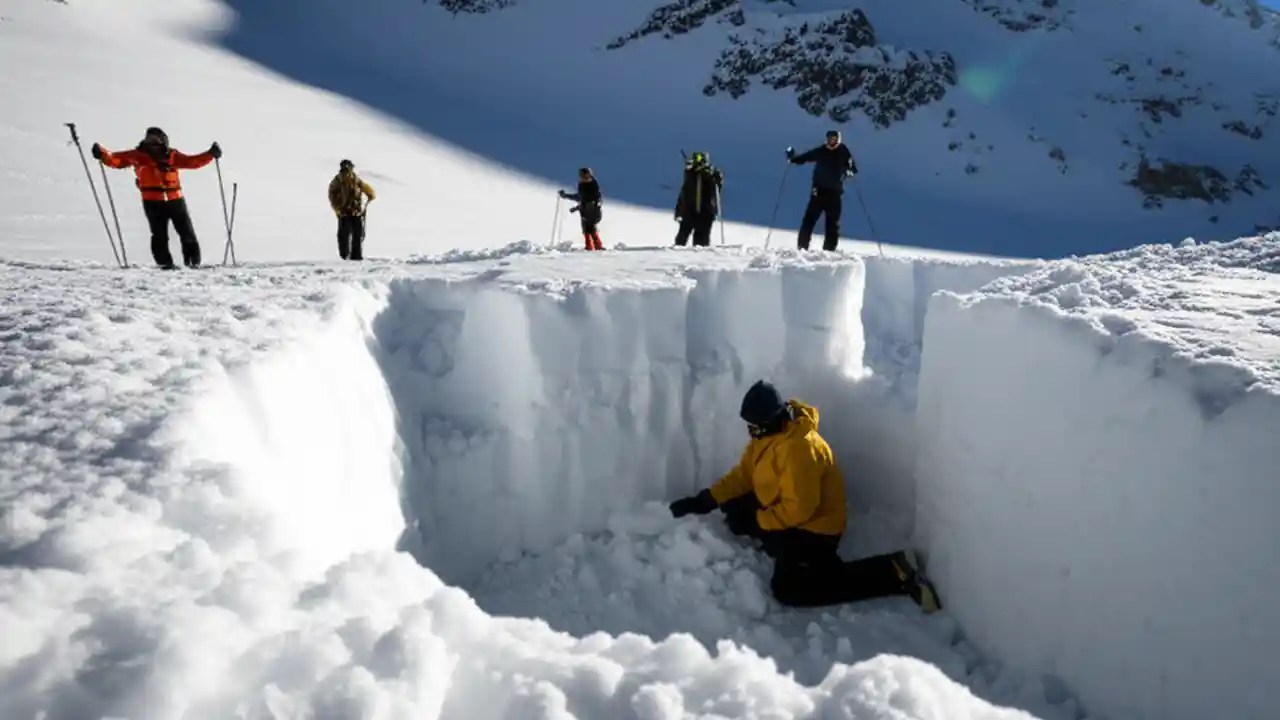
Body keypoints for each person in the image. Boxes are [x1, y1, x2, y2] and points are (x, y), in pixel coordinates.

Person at [669, 380, 939, 611]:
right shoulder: (767, 437)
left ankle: (894, 570)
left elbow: (800, 510)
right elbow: (744, 475)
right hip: (786, 508)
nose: (750, 431)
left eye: (753, 426)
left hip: (816, 529)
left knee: (788, 589)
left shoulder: (800, 450)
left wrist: (763, 521)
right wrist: (706, 499)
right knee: (735, 512)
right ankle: (789, 550)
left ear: (769, 420)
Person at [92, 127, 220, 269]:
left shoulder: (170, 156)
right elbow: (115, 159)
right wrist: (102, 154)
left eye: (155, 138)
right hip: (156, 201)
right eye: (150, 138)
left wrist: (210, 155)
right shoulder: (138, 155)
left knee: (184, 233)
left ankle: (190, 264)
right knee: (164, 235)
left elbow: (193, 162)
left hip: (172, 200)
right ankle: (168, 265)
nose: (152, 141)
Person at [786, 130, 858, 252]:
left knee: (832, 225)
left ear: (838, 140)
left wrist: (848, 171)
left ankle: (828, 251)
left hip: (834, 194)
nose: (831, 141)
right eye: (829, 139)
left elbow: (853, 169)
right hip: (818, 192)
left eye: (834, 139)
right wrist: (793, 158)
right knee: (808, 221)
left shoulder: (843, 152)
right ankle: (802, 248)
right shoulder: (821, 151)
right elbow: (805, 157)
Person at [328, 159, 376, 261]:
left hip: (346, 211)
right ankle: (354, 256)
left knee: (346, 235)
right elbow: (367, 189)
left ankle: (346, 255)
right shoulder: (352, 179)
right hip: (352, 211)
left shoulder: (341, 180)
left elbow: (332, 196)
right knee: (356, 234)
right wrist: (371, 195)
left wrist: (337, 208)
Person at [674, 151, 724, 247]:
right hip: (689, 211)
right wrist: (679, 210)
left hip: (705, 212)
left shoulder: (710, 174)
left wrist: (716, 176)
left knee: (701, 241)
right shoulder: (690, 174)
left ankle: (699, 260)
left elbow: (717, 187)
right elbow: (684, 193)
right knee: (681, 238)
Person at [559, 167, 604, 251]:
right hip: (585, 211)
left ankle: (595, 246)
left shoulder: (593, 186)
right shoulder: (583, 185)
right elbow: (582, 198)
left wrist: (567, 197)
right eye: (582, 176)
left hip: (592, 210)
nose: (583, 178)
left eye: (585, 176)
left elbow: (584, 198)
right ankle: (591, 246)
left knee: (590, 228)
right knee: (586, 229)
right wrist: (576, 207)